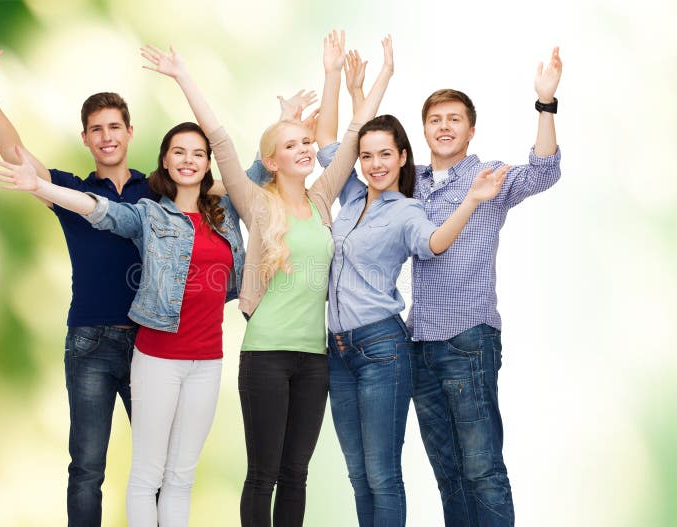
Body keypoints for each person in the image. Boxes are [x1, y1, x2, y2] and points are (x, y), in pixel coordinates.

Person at [139, 31, 394, 526]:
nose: (304, 149)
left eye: (306, 142)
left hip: (314, 358)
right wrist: (183, 76)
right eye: (291, 144)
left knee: (296, 474)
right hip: (266, 356)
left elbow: (354, 135)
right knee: (263, 475)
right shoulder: (257, 203)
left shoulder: (321, 201)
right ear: (273, 160)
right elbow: (221, 142)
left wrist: (362, 75)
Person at [0, 121, 246, 527]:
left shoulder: (224, 214)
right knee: (145, 475)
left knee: (180, 477)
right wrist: (38, 186)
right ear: (164, 160)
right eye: (179, 152)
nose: (189, 160)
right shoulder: (148, 214)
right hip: (158, 357)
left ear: (209, 162)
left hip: (209, 362)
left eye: (198, 153)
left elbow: (256, 179)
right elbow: (99, 210)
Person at [0, 26, 156, 526]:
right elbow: (15, 152)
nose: (107, 136)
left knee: (158, 467)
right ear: (86, 138)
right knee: (87, 467)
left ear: (129, 132)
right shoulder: (69, 193)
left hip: (152, 343)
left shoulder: (158, 192)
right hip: (89, 340)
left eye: (115, 126)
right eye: (97, 129)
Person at [312, 49, 510, 525]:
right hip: (337, 349)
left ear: (404, 158)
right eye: (366, 156)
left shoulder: (407, 209)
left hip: (382, 344)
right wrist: (337, 78)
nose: (375, 164)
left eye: (386, 155)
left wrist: (469, 199)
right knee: (359, 475)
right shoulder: (352, 194)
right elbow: (327, 142)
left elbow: (436, 243)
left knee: (385, 474)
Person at [408, 47, 563, 526]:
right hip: (418, 342)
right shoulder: (408, 181)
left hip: (469, 339)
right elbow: (356, 172)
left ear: (470, 129)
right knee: (447, 472)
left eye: (455, 119)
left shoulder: (488, 176)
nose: (445, 127)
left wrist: (546, 104)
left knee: (481, 469)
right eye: (435, 119)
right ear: (425, 129)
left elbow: (543, 171)